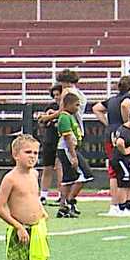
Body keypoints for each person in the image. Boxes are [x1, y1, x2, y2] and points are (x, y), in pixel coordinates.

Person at [0, 134, 65, 260]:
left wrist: (41, 212)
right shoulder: (10, 179)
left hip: (37, 231)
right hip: (20, 233)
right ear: (15, 154)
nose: (33, 156)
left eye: (35, 152)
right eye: (28, 152)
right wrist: (17, 226)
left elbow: (32, 198)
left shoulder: (34, 174)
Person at [92, 76, 130, 216]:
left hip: (110, 133)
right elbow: (125, 105)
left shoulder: (111, 100)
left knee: (114, 169)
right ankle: (118, 204)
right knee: (122, 169)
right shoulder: (129, 98)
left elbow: (96, 108)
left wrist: (107, 123)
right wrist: (126, 122)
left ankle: (118, 203)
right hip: (121, 135)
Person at [56, 91, 93, 219]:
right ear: (68, 104)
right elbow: (68, 138)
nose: (78, 108)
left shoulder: (70, 116)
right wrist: (73, 155)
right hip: (67, 149)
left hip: (70, 149)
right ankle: (69, 201)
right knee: (83, 175)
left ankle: (64, 206)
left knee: (69, 178)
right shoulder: (65, 117)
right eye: (76, 105)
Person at [34, 84, 63, 206]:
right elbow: (42, 121)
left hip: (61, 139)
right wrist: (46, 117)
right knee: (47, 168)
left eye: (58, 94)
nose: (56, 97)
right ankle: (43, 195)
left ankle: (62, 194)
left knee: (60, 167)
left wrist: (54, 115)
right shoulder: (51, 107)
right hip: (50, 139)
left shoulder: (66, 107)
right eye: (55, 95)